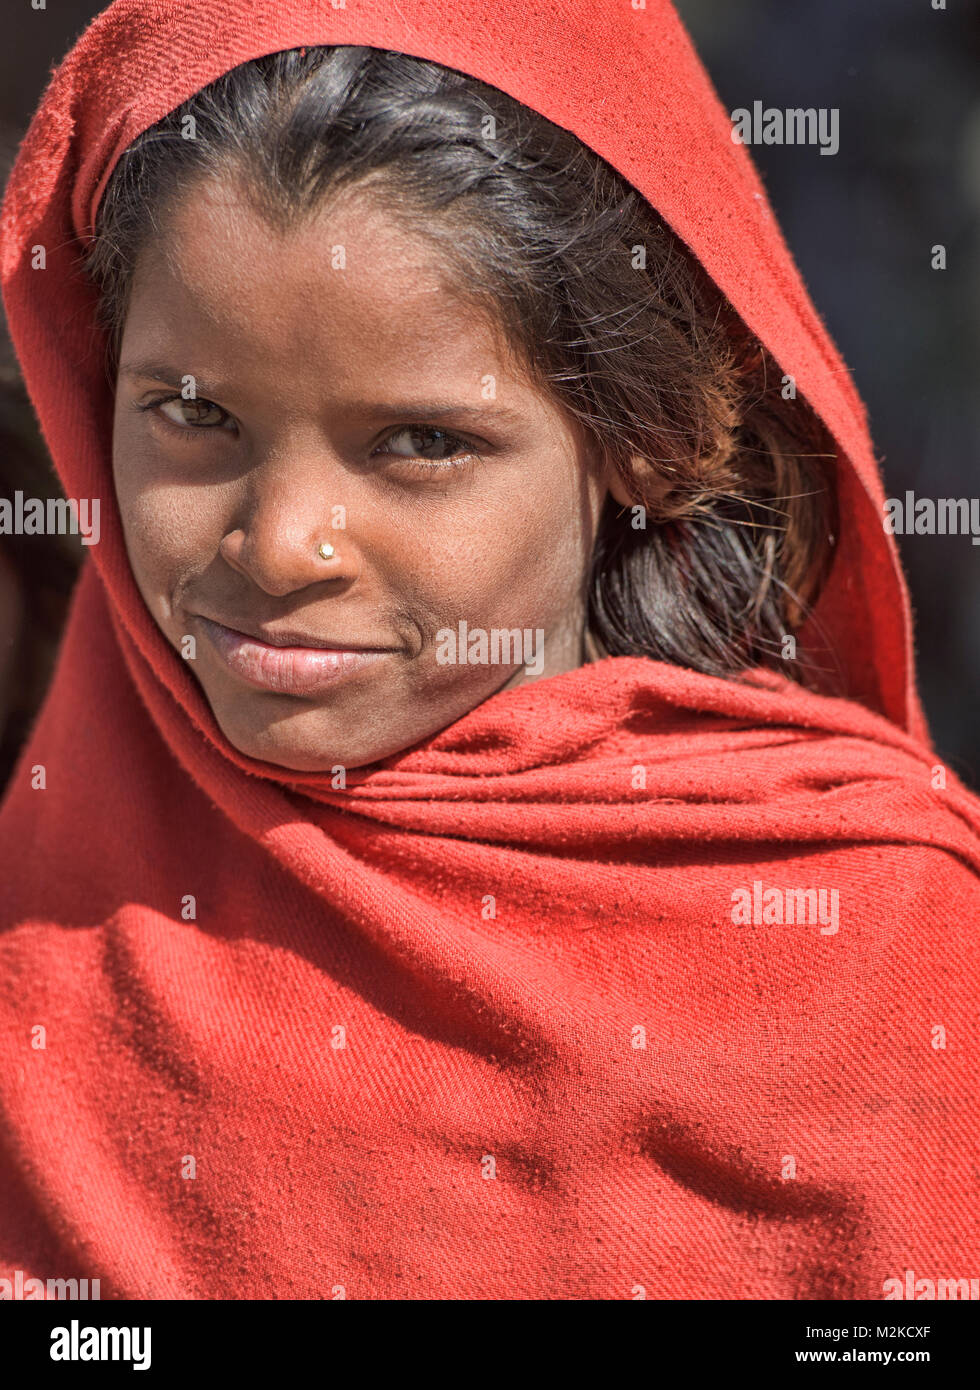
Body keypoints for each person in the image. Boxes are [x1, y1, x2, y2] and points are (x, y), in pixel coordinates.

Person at [0, 0, 977, 1301]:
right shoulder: (45, 890)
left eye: (419, 443)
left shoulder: (880, 943)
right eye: (193, 413)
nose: (284, 545)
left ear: (655, 432)